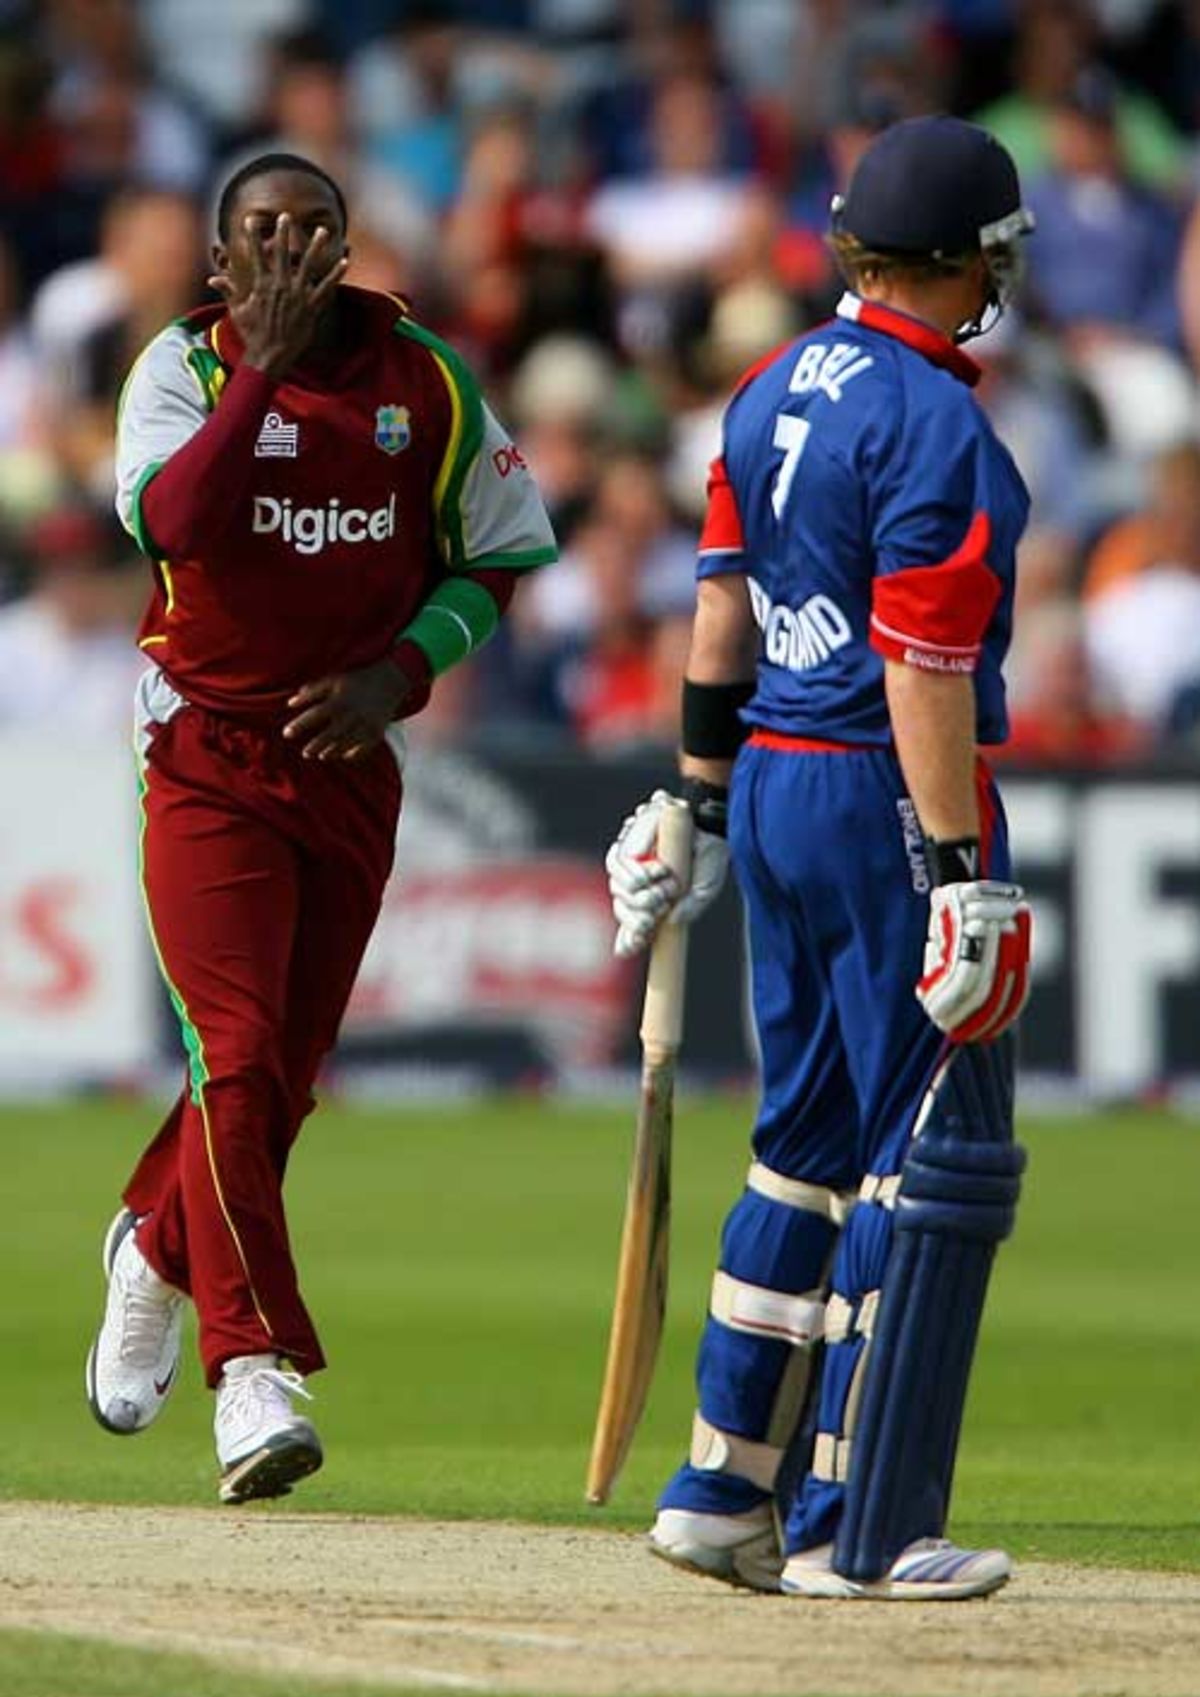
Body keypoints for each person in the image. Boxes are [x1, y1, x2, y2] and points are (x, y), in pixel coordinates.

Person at [85, 151, 557, 1504]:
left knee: (281, 1075)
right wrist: (263, 377)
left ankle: (157, 1248)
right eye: (260, 237)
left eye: (314, 232)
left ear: (348, 246)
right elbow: (170, 521)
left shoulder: (429, 382)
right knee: (231, 1049)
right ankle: (253, 1367)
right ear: (223, 263)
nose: (288, 252)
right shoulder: (180, 370)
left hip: (348, 754)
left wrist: (397, 676)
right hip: (204, 747)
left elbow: (500, 558)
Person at [605, 115, 1035, 1600]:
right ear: (964, 261)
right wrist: (955, 862)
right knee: (931, 1156)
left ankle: (726, 1482)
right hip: (878, 786)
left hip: (778, 777)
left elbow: (717, 624)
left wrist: (696, 801)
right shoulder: (936, 424)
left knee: (800, 1148)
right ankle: (861, 1527)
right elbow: (924, 663)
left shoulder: (768, 384)